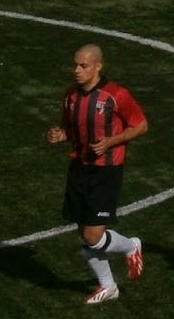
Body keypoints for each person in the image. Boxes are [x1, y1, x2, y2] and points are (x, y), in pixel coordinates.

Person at [46, 44, 148, 305]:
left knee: (93, 236)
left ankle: (130, 246)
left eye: (84, 66)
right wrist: (60, 136)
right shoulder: (70, 96)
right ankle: (109, 287)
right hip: (78, 168)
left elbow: (141, 125)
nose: (77, 70)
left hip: (106, 170)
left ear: (98, 67)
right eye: (75, 65)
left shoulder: (116, 95)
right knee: (85, 235)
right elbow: (70, 129)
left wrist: (111, 142)